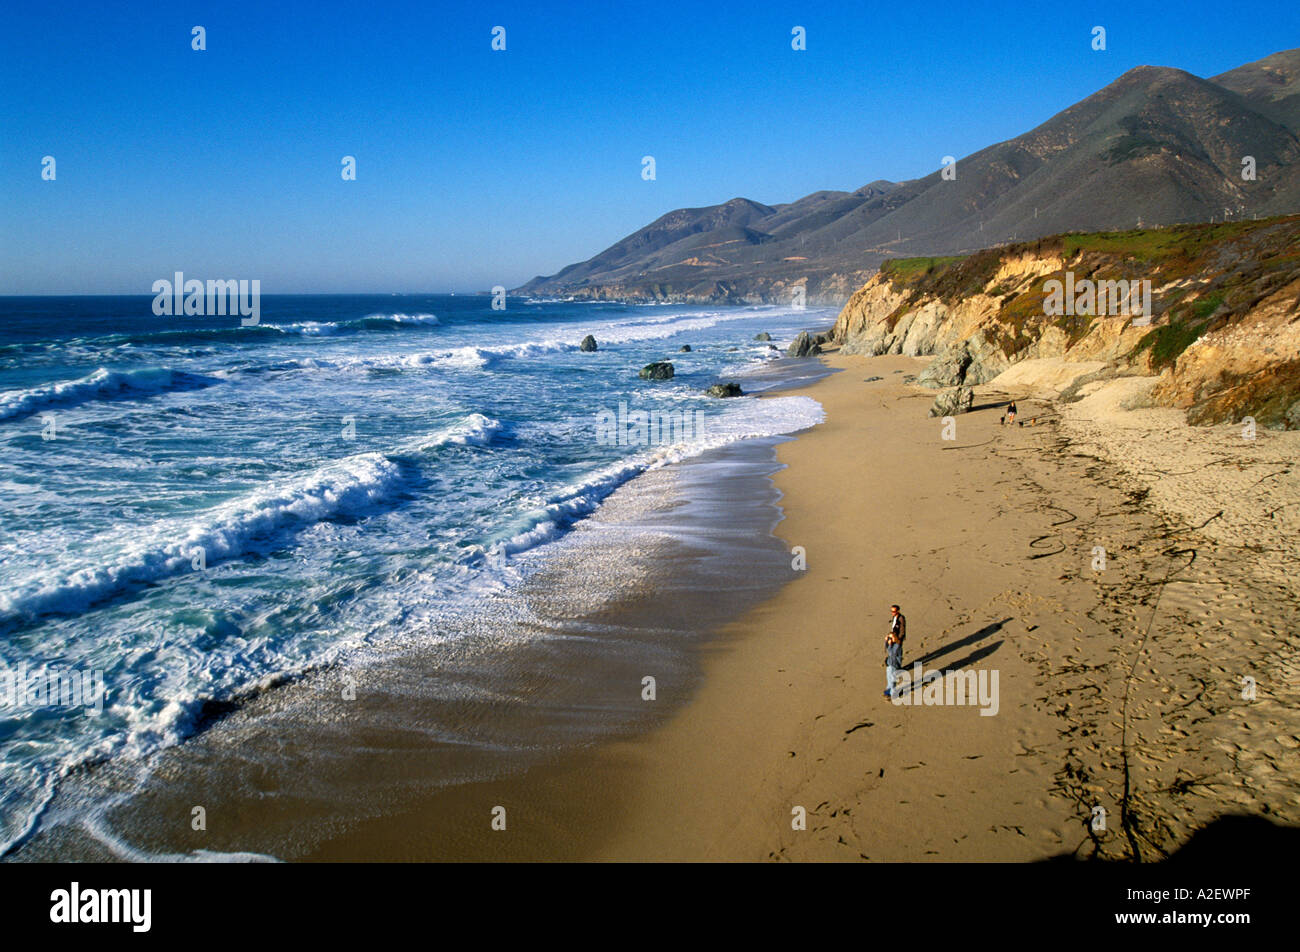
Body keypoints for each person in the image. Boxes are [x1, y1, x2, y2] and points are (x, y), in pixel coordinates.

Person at [884, 604, 906, 699]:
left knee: (892, 673)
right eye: (891, 611)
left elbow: (902, 631)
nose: (892, 613)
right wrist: (888, 639)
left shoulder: (901, 619)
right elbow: (888, 649)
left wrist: (896, 639)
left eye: (894, 611)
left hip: (894, 658)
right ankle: (889, 689)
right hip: (890, 662)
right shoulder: (895, 618)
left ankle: (893, 692)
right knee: (889, 672)